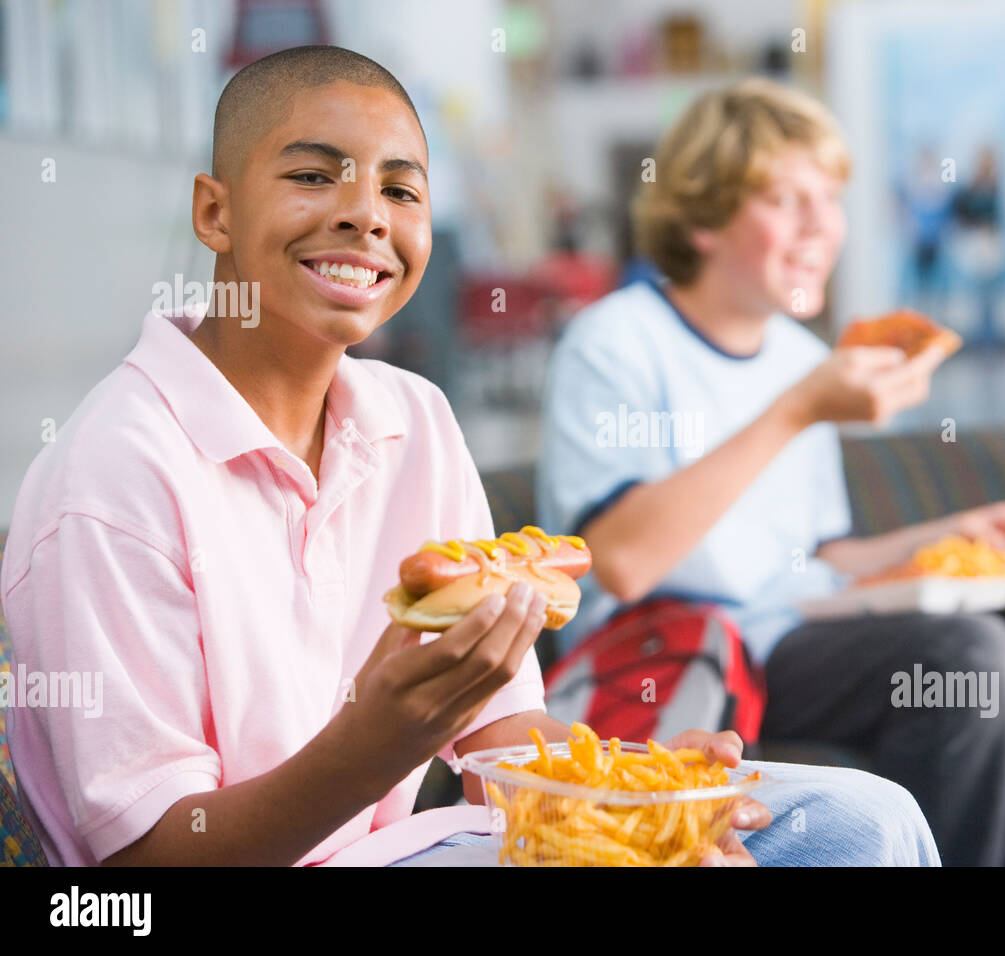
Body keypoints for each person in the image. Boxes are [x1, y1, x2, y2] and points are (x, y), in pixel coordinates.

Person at [0, 46, 938, 867]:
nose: (366, 215)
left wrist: (635, 805)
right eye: (315, 177)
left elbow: (501, 741)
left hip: (423, 846)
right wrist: (373, 744)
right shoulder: (115, 473)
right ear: (214, 212)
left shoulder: (416, 419)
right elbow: (157, 861)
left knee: (861, 823)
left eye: (400, 190)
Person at [537, 78, 1005, 866]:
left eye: (832, 198)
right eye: (789, 200)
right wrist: (799, 408)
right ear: (702, 220)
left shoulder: (800, 355)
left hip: (800, 627)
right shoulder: (616, 341)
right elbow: (620, 561)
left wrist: (948, 533)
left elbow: (819, 557)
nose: (824, 227)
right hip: (693, 646)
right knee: (968, 658)